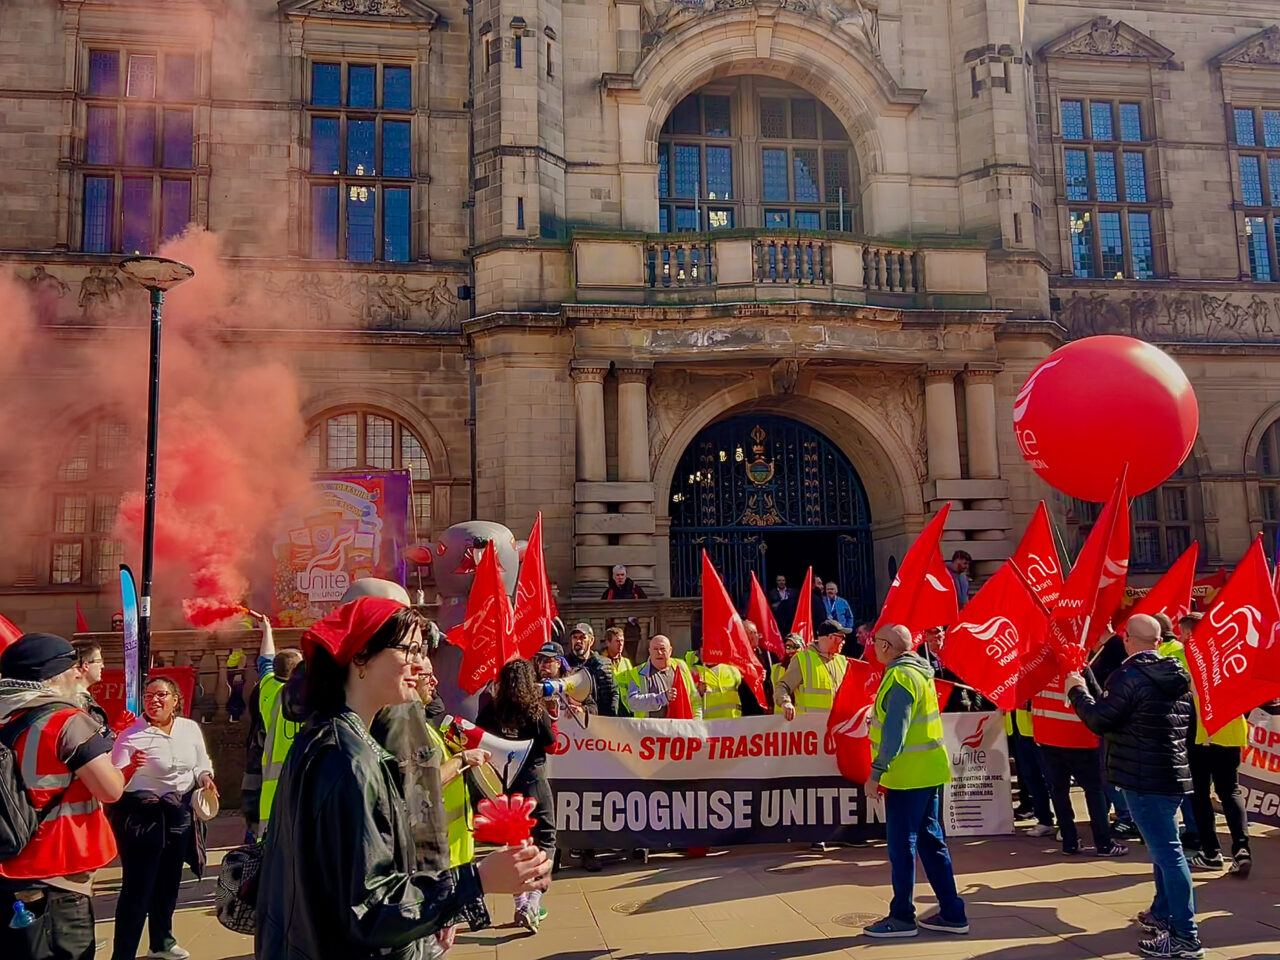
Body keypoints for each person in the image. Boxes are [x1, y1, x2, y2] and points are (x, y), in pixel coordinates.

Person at [256, 597, 551, 960]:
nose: (420, 663)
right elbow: (370, 909)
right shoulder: (349, 759)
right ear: (361, 656)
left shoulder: (330, 737)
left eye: (422, 650)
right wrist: (478, 880)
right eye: (409, 649)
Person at [1066, 614, 1201, 960]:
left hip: (1142, 778)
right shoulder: (1176, 675)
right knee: (1164, 851)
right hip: (1171, 774)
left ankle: (1185, 936)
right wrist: (1090, 687)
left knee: (1169, 855)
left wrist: (1076, 692)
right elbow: (1169, 726)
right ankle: (1164, 915)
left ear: (1127, 639)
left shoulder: (1128, 676)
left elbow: (1100, 720)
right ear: (1158, 641)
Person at [0, 633, 124, 960]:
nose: (77, 674)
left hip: (5, 864)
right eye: (72, 668)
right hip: (56, 870)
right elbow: (110, 789)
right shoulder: (66, 721)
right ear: (55, 675)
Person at [863, 624, 967, 938]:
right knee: (931, 842)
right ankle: (952, 912)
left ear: (885, 646)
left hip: (907, 777)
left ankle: (902, 917)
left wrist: (876, 772)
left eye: (875, 642)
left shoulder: (900, 677)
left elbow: (896, 731)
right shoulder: (920, 672)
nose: (873, 647)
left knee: (901, 846)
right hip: (929, 772)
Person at [109, 676, 216, 960]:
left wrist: (205, 777)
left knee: (169, 881)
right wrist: (130, 768)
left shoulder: (189, 729)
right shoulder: (130, 735)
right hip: (142, 818)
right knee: (138, 887)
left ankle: (162, 943)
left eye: (160, 695)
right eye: (148, 696)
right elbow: (113, 782)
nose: (153, 700)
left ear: (175, 700)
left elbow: (201, 762)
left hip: (178, 812)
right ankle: (123, 953)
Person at [1164, 612, 1251, 876]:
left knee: (1200, 794)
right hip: (1232, 732)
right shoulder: (1231, 655)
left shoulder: (1189, 657)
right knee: (1230, 791)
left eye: (1183, 633)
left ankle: (1212, 853)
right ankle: (1241, 848)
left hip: (1201, 734)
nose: (1181, 638)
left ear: (1190, 633)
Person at [477, 660, 559, 933]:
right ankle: (533, 901)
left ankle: (520, 903)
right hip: (534, 780)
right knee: (546, 838)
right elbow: (552, 745)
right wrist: (553, 718)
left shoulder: (492, 708)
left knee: (516, 843)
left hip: (506, 783)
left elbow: (480, 736)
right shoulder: (534, 709)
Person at [1031, 670, 1128, 857]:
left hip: (1047, 735)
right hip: (1080, 738)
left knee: (1058, 790)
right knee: (1095, 790)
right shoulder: (1078, 665)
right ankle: (1104, 843)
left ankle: (1069, 842)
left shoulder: (1037, 665)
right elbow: (1099, 698)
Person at [244, 609, 303, 835]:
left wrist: (266, 630)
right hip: (298, 776)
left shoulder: (268, 688)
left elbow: (266, 661)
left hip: (268, 785)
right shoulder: (307, 696)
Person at [776, 620, 848, 720]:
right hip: (810, 728)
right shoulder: (802, 659)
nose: (844, 642)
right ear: (831, 637)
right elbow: (782, 686)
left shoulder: (842, 661)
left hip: (834, 728)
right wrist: (785, 703)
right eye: (842, 638)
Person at [621, 635, 702, 719]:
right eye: (655, 649)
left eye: (662, 649)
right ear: (649, 651)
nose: (659, 653)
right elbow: (633, 703)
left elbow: (695, 699)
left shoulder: (681, 666)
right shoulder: (638, 673)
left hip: (679, 728)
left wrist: (696, 722)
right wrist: (661, 698)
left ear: (670, 651)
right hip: (650, 729)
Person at [565, 623, 619, 717]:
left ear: (591, 640)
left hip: (600, 720)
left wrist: (611, 718)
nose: (578, 641)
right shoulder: (565, 665)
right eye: (575, 637)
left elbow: (613, 694)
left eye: (582, 637)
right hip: (574, 720)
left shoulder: (603, 664)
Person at [70, 638, 110, 732]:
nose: (102, 666)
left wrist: (113, 733)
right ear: (85, 665)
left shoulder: (80, 699)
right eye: (99, 661)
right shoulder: (75, 702)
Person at [772, 633, 805, 713]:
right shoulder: (776, 669)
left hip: (802, 716)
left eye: (795, 647)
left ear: (803, 647)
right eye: (788, 647)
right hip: (781, 717)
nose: (791, 650)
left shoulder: (807, 666)